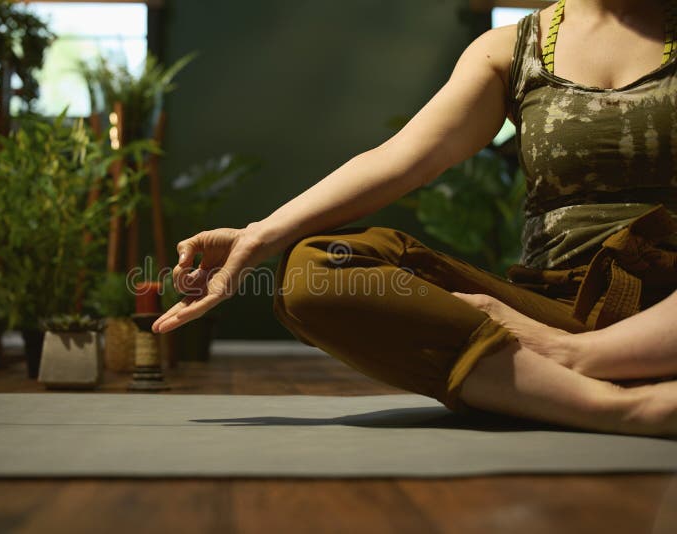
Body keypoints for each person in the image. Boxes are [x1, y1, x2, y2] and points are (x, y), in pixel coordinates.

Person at [152, 0, 677, 437]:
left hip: (662, 318)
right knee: (316, 270)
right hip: (548, 310)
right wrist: (259, 236)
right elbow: (403, 159)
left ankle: (565, 377)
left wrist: (575, 352)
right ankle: (622, 408)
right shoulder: (513, 48)